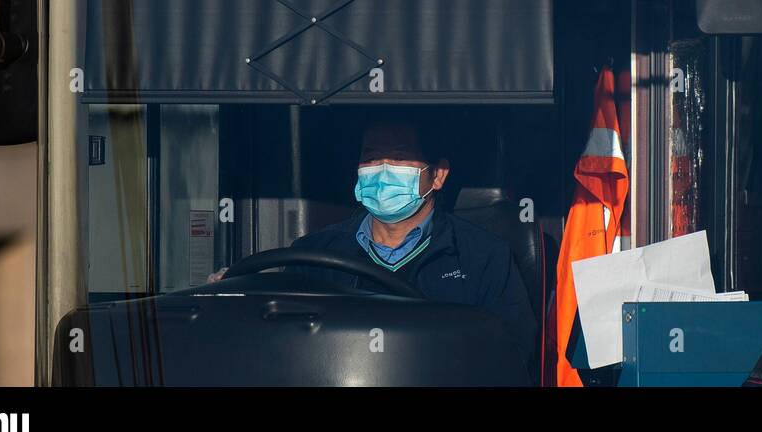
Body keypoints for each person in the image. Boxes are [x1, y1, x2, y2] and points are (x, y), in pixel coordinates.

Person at [210, 119, 536, 369]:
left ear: (437, 175)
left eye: (398, 157)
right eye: (370, 156)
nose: (381, 170)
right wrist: (235, 298)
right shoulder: (313, 255)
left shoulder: (483, 257)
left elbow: (512, 355)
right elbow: (279, 347)